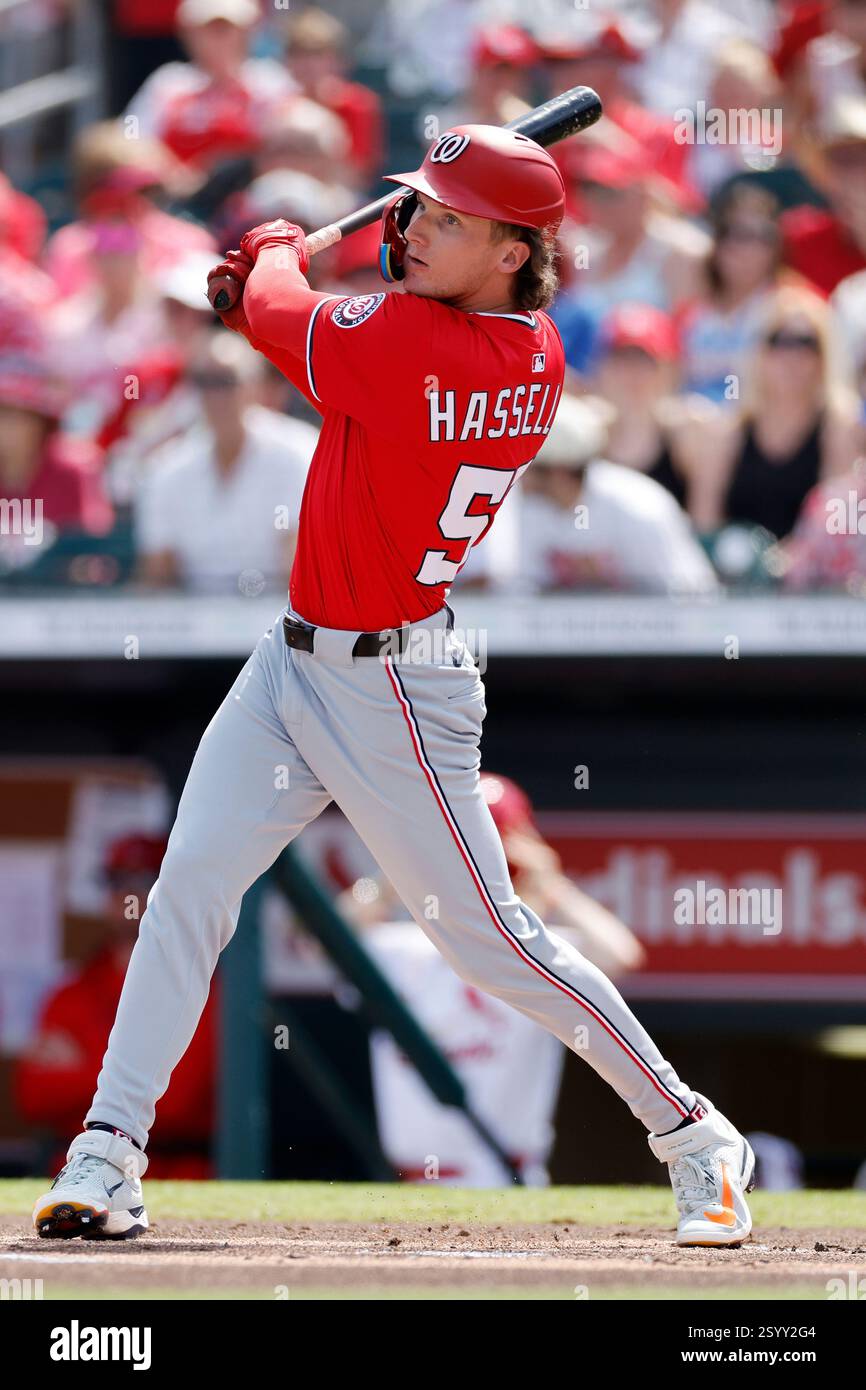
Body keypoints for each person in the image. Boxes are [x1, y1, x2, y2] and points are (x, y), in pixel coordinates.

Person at [33, 124, 755, 1248]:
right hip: (293, 660)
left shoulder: (430, 344)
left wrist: (269, 246)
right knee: (187, 893)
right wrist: (264, 285)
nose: (413, 229)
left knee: (491, 942)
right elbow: (294, 321)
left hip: (397, 689)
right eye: (413, 207)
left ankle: (693, 1131)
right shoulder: (516, 349)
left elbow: (280, 314)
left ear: (515, 254)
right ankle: (109, 1149)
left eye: (448, 220)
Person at [15, 835, 216, 1180]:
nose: (127, 895)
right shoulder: (71, 992)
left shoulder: (204, 986)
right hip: (74, 1173)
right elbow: (32, 1095)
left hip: (174, 1175)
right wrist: (137, 1075)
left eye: (141, 881)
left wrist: (79, 1069)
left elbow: (176, 1100)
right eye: (116, 881)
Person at [135, 331, 317, 591]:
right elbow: (158, 578)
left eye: (225, 381)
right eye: (204, 382)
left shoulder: (297, 451)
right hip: (192, 624)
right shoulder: (167, 467)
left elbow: (300, 568)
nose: (215, 395)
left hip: (277, 620)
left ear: (254, 386)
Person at [692, 286, 863, 539]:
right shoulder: (727, 433)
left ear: (824, 356)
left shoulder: (841, 430)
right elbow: (704, 523)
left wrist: (782, 564)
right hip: (732, 574)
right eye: (779, 340)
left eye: (806, 343)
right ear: (758, 352)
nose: (792, 356)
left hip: (815, 576)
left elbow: (836, 525)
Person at [510, 392, 719, 596]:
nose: (517, 474)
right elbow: (519, 592)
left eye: (528, 466)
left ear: (559, 472)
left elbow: (689, 596)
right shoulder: (525, 507)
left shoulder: (637, 508)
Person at [123, 0, 295, 172]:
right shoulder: (167, 83)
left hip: (257, 190)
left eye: (225, 29)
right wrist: (171, 172)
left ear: (247, 32)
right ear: (188, 34)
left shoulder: (272, 82)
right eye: (208, 29)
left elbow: (296, 139)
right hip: (179, 193)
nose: (218, 39)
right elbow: (130, 132)